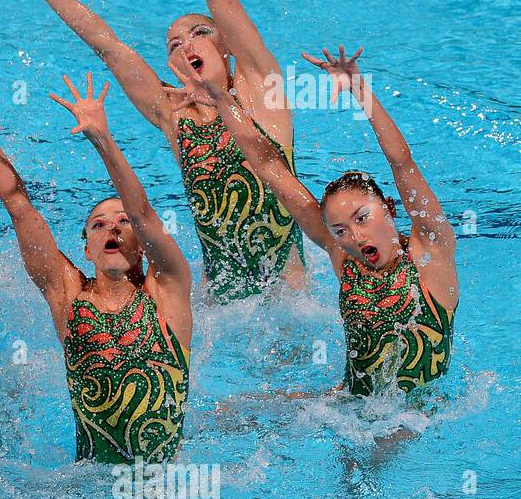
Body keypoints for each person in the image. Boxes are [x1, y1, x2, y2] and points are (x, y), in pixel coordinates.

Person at [0, 0, 306, 301]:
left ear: (227, 48)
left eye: (198, 33)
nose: (185, 44)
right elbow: (107, 47)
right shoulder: (174, 115)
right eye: (174, 44)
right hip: (221, 308)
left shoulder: (263, 94)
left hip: (290, 300)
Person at [0, 67, 194, 463]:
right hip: (86, 486)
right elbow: (19, 206)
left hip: (164, 486)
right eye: (99, 224)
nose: (113, 227)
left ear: (143, 244)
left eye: (124, 223)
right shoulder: (69, 296)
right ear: (87, 249)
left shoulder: (167, 290)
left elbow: (145, 213)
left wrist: (103, 141)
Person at [180, 47, 457, 396]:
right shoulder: (346, 261)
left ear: (389, 208)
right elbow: (268, 166)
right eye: (340, 230)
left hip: (421, 418)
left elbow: (402, 163)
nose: (354, 236)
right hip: (350, 407)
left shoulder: (431, 253)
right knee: (234, 411)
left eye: (362, 218)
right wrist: (221, 98)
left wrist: (360, 89)